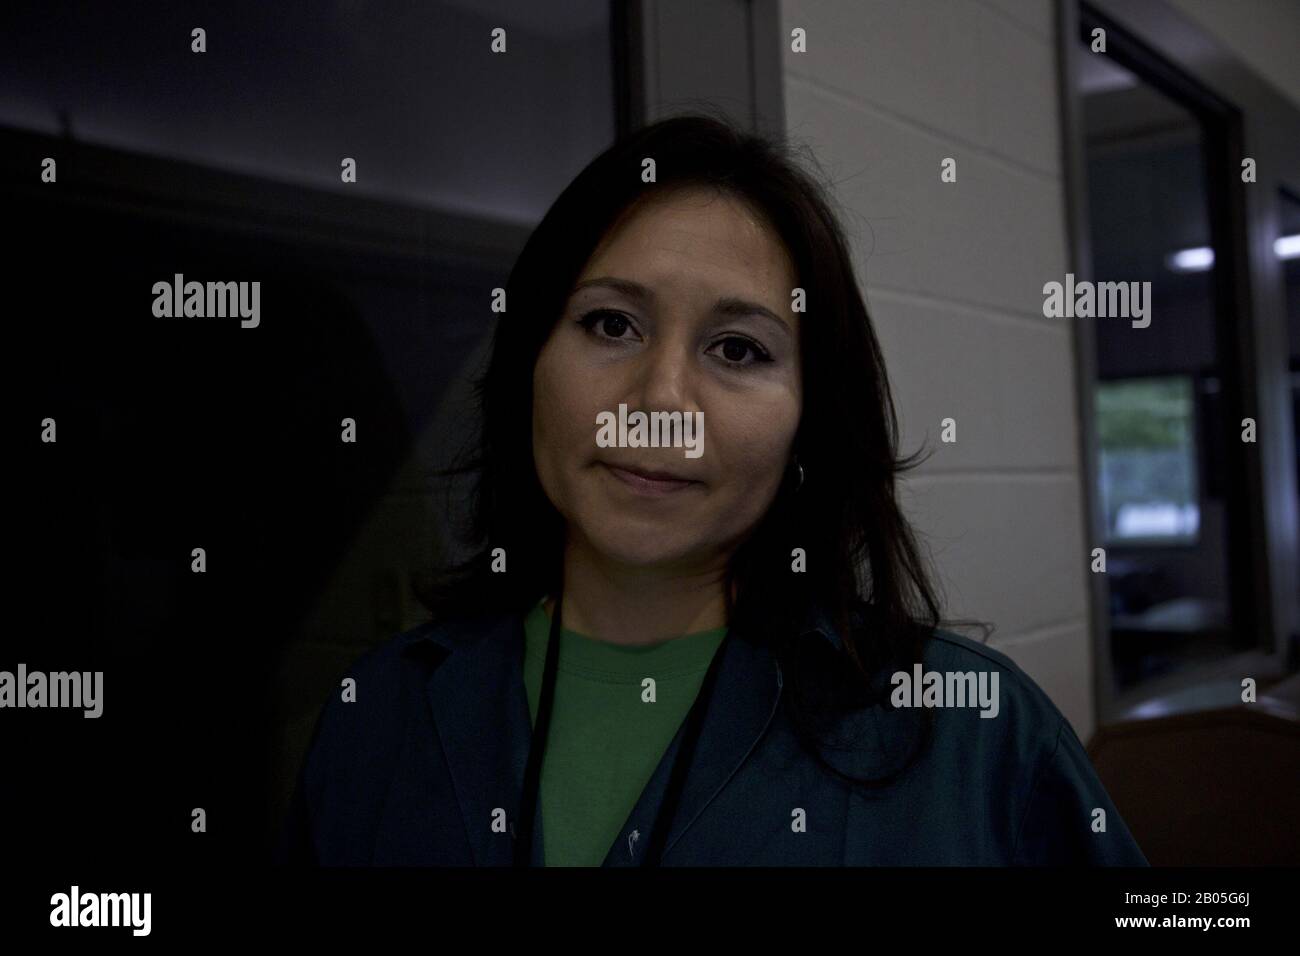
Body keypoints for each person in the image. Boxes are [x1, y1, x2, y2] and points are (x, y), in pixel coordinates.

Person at [273, 113, 1148, 867]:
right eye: (610, 324)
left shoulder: (977, 738)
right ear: (529, 367)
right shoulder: (381, 713)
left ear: (811, 416)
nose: (660, 402)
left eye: (738, 350)